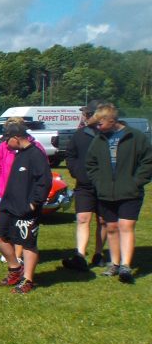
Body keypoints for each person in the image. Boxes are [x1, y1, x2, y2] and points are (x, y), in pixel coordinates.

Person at [85, 103, 152, 284]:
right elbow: (90, 164)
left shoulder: (135, 137)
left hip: (130, 192)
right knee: (112, 227)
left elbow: (148, 161)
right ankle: (114, 263)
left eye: (100, 123)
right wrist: (99, 182)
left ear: (111, 121)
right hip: (106, 192)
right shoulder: (98, 140)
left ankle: (126, 266)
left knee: (126, 226)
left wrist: (136, 181)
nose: (97, 127)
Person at [0, 121, 52, 294]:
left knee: (28, 244)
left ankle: (28, 280)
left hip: (27, 208)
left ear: (16, 138)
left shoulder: (36, 154)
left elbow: (45, 181)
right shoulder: (18, 153)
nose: (5, 143)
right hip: (9, 204)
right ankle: (15, 269)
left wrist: (34, 202)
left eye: (7, 139)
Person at [62, 100, 107, 271]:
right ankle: (80, 255)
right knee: (82, 219)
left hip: (105, 185)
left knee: (103, 220)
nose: (84, 116)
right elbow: (70, 155)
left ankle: (98, 254)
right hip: (84, 185)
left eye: (86, 114)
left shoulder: (107, 135)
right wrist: (76, 171)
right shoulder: (80, 135)